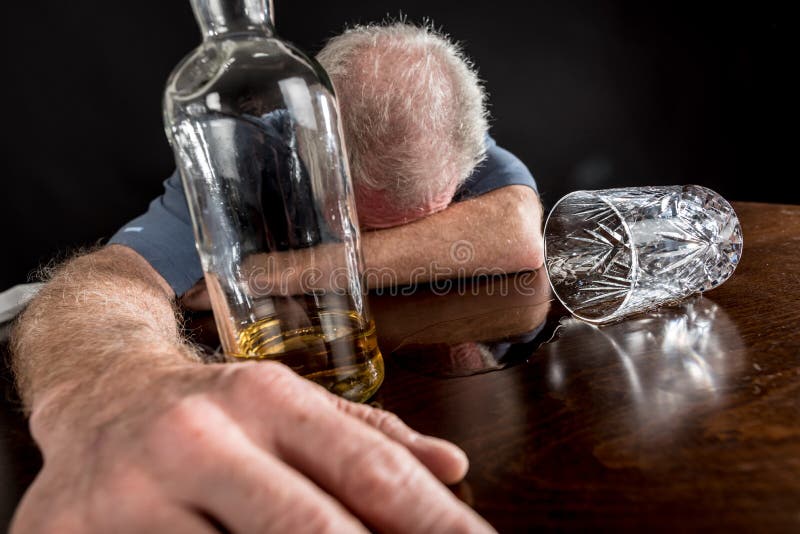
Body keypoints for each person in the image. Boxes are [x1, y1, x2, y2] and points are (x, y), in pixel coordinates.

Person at [10, 23, 543, 533]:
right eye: (350, 215)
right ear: (306, 139)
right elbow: (111, 278)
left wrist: (276, 273)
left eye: (426, 218)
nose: (369, 233)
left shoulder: (439, 134)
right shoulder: (243, 154)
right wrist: (116, 391)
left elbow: (518, 231)